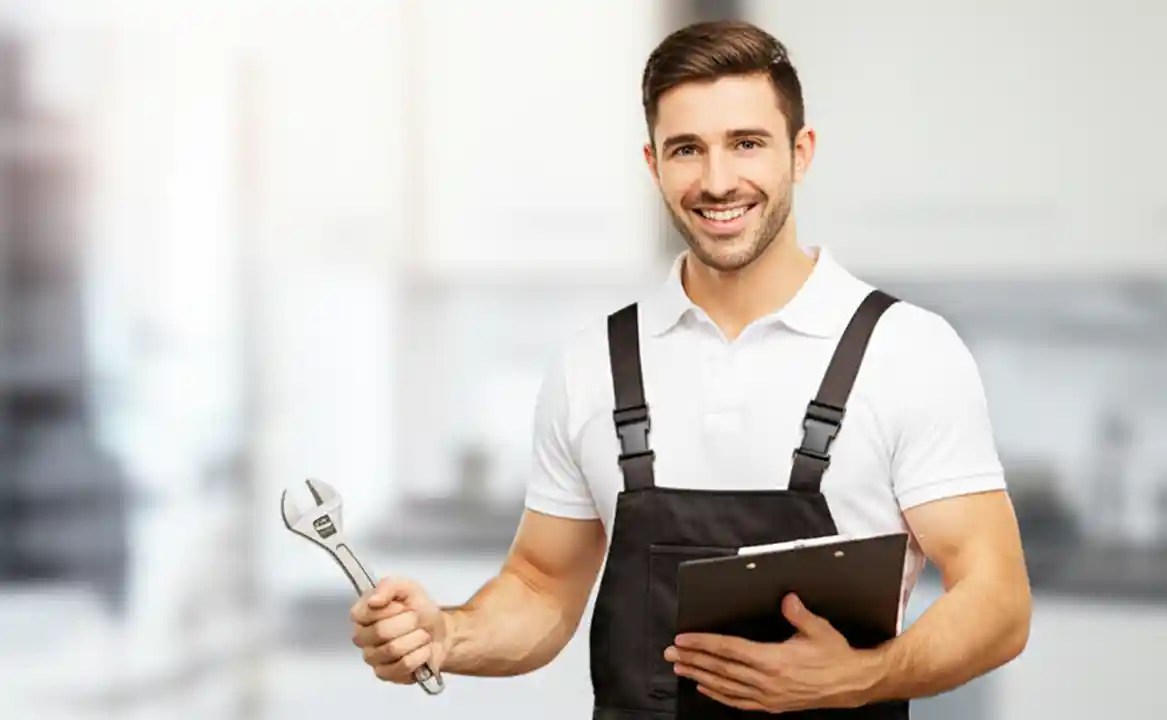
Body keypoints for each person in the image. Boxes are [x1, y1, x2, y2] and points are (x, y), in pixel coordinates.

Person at [349, 19, 1031, 718]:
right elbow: (542, 584)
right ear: (653, 164)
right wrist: (449, 632)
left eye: (746, 144)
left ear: (801, 153)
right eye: (687, 149)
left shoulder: (907, 352)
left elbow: (998, 601)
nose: (716, 181)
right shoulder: (595, 366)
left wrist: (858, 678)